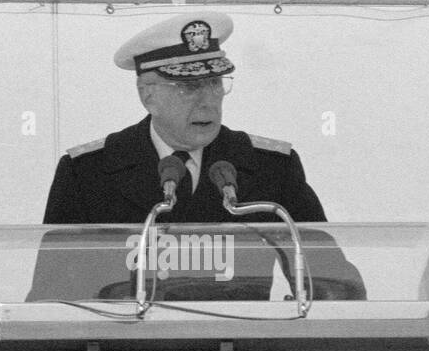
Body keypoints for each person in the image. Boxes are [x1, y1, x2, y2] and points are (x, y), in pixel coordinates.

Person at [41, 12, 331, 226]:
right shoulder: (88, 173)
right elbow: (50, 295)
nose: (207, 100)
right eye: (189, 86)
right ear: (147, 94)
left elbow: (332, 281)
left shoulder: (271, 168)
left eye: (215, 83)